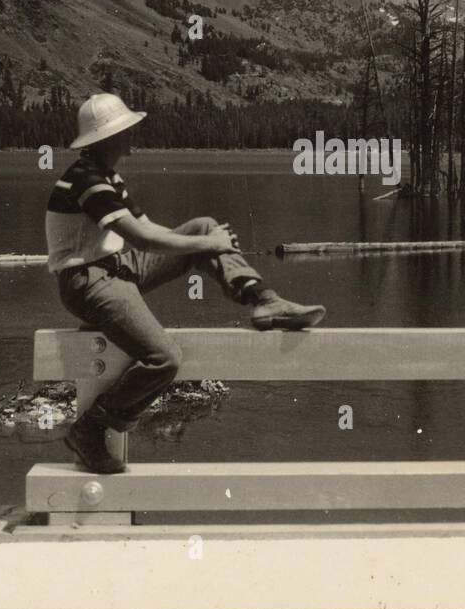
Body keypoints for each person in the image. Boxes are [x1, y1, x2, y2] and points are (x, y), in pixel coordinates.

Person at [46, 93, 326, 474]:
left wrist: (205, 241)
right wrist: (209, 246)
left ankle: (263, 299)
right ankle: (91, 428)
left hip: (114, 269)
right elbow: (142, 240)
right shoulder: (88, 180)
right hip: (88, 281)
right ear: (107, 137)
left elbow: (149, 228)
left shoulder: (107, 176)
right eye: (125, 130)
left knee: (204, 225)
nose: (131, 139)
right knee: (165, 359)